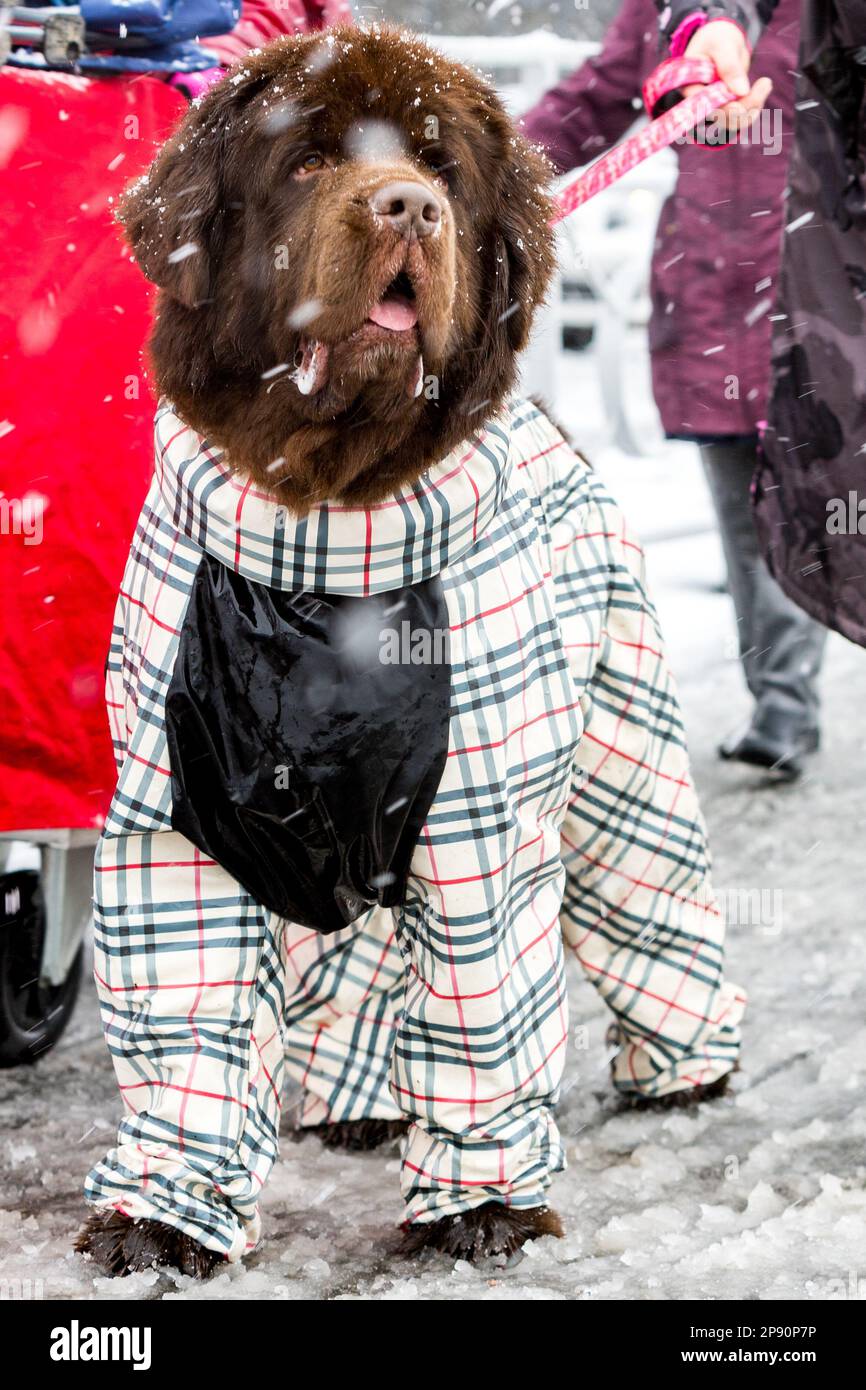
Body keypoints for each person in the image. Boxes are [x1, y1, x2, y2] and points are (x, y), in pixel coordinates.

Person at [523, 0, 827, 779]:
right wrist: (494, 168)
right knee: (748, 510)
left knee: (806, 501)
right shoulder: (674, 10)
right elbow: (599, 96)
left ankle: (786, 699)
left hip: (818, 290)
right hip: (715, 293)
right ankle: (782, 700)